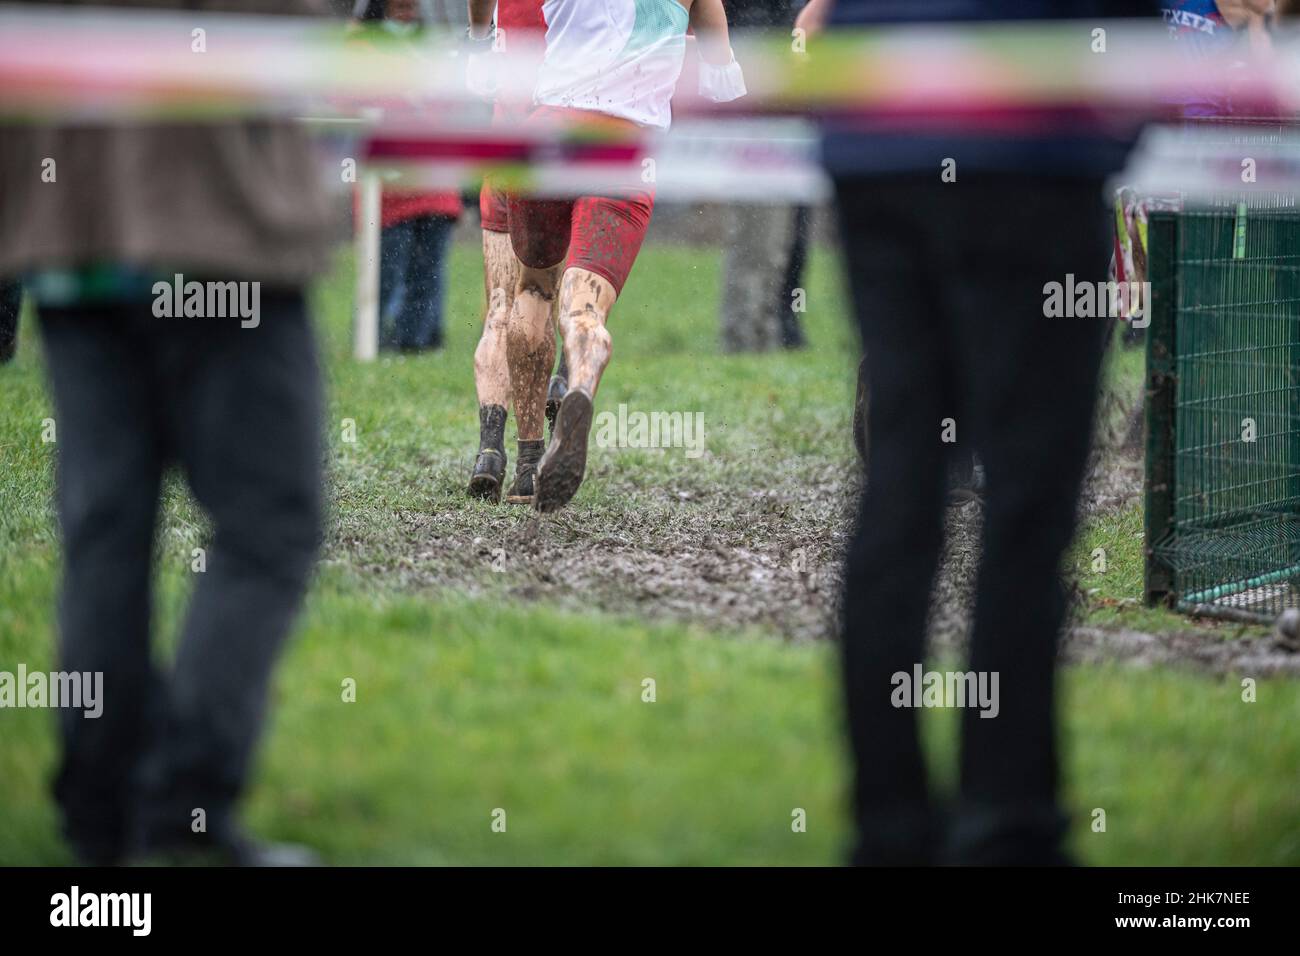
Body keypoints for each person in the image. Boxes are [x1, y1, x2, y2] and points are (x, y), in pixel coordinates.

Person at [813, 0, 1158, 865]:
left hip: (879, 139)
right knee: (1027, 509)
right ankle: (1007, 822)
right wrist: (1109, 139)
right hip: (1030, 150)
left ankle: (888, 825)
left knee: (900, 489)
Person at [0, 0, 334, 866]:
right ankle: (183, 805)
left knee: (106, 534)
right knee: (269, 525)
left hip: (71, 225)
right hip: (210, 215)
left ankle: (102, 816)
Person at [469, 0, 746, 510]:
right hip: (625, 148)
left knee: (533, 288)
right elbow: (721, 76)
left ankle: (527, 465)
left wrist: (478, 34)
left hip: (546, 134)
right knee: (583, 308)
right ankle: (580, 384)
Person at [465, 0, 570, 504]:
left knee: (500, 311)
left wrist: (477, 34)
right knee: (547, 299)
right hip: (561, 150)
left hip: (502, 151)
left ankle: (489, 451)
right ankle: (531, 461)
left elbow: (480, 14)